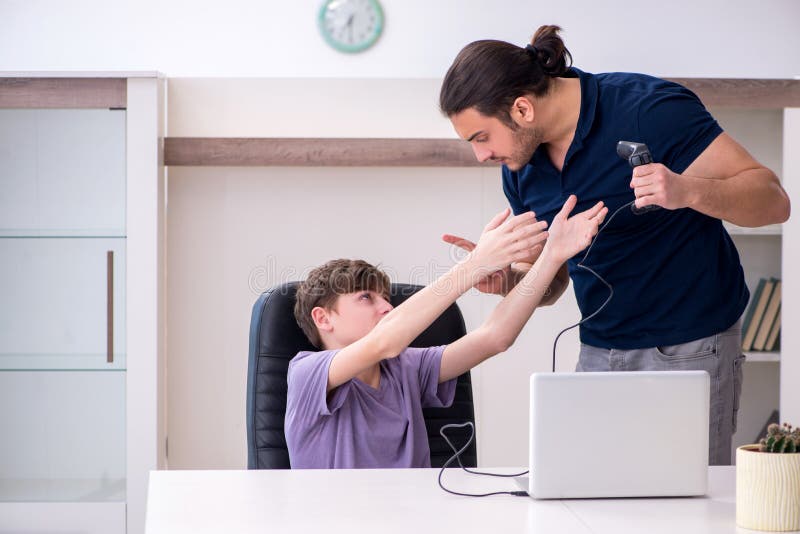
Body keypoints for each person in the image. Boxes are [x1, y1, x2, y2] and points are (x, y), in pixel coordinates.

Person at [438, 25, 791, 465]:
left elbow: (773, 201)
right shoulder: (521, 170)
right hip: (598, 351)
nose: (480, 156)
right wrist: (509, 280)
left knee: (687, 512)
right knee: (591, 500)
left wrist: (686, 191)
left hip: (690, 347)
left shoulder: (649, 108)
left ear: (522, 109)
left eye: (481, 138)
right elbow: (554, 282)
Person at [285, 196, 608, 468]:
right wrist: (475, 264)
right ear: (323, 318)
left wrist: (551, 257)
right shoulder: (307, 372)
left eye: (387, 298)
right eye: (366, 298)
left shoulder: (406, 368)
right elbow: (384, 342)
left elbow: (496, 336)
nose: (387, 307)